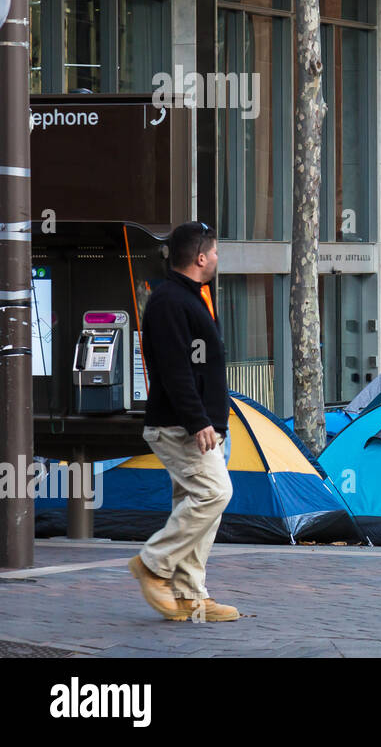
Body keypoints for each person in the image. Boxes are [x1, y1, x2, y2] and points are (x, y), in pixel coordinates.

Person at [128, 222, 238, 622]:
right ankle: (153, 563)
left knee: (196, 504)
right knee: (214, 494)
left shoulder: (191, 297)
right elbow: (175, 371)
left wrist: (211, 421)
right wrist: (198, 421)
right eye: (215, 252)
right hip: (179, 426)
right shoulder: (171, 302)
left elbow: (200, 366)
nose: (217, 258)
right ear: (200, 257)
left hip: (197, 426)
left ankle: (191, 596)